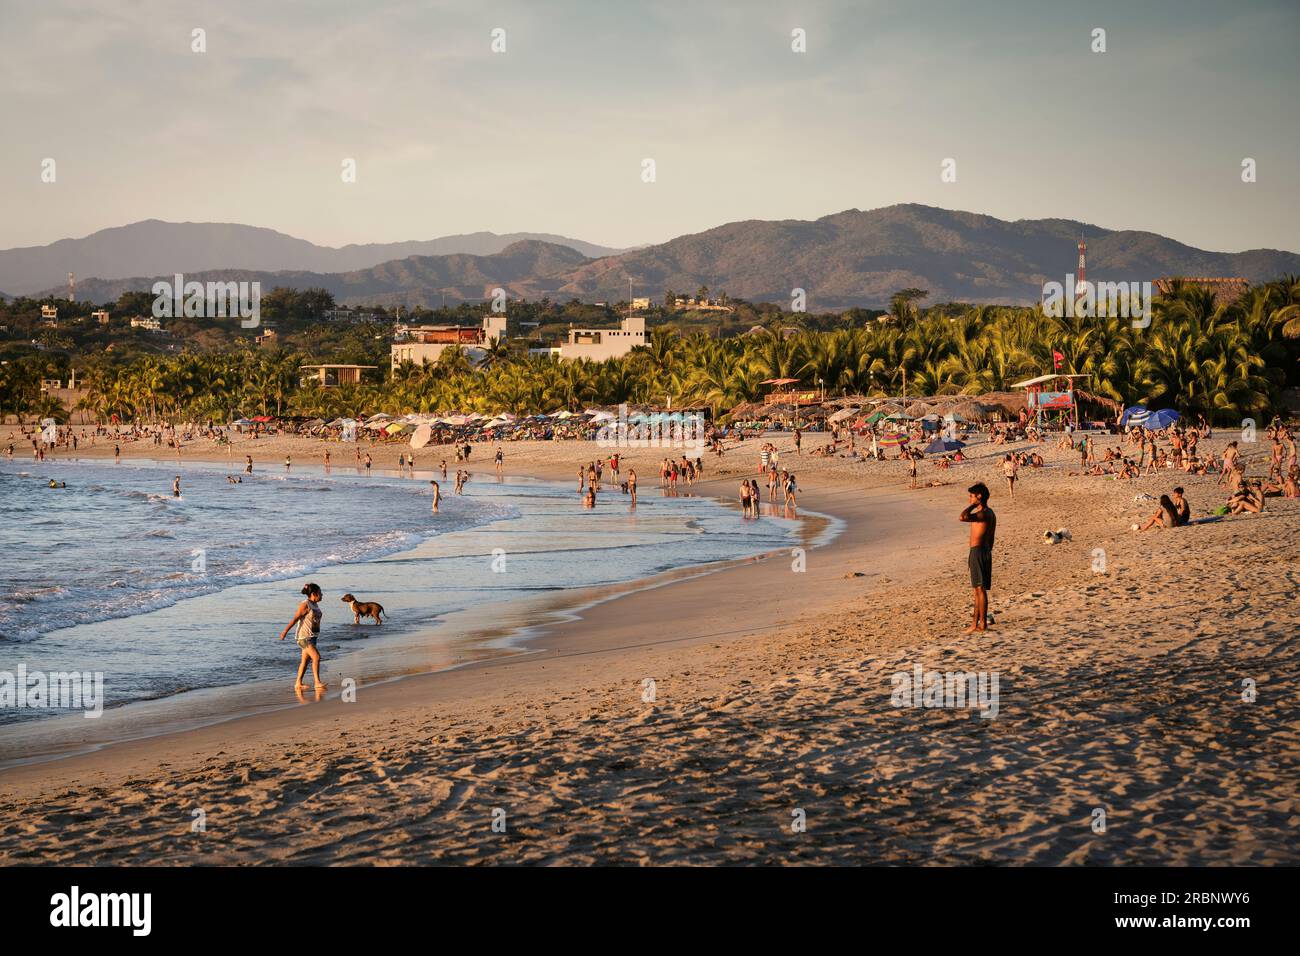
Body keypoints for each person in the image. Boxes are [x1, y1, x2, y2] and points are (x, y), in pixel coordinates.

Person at [958, 482, 996, 633]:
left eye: (971, 496)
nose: (969, 499)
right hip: (982, 551)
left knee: (980, 589)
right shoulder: (989, 512)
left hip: (979, 551)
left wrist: (974, 504)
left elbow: (962, 517)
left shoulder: (985, 513)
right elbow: (992, 537)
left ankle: (982, 625)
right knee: (977, 590)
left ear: (979, 497)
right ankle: (975, 623)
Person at [279, 583, 326, 691]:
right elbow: (295, 619)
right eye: (320, 593)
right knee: (316, 657)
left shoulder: (314, 604)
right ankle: (317, 682)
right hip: (304, 638)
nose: (322, 595)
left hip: (312, 637)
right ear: (314, 594)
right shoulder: (305, 604)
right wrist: (285, 632)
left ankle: (298, 683)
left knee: (305, 661)